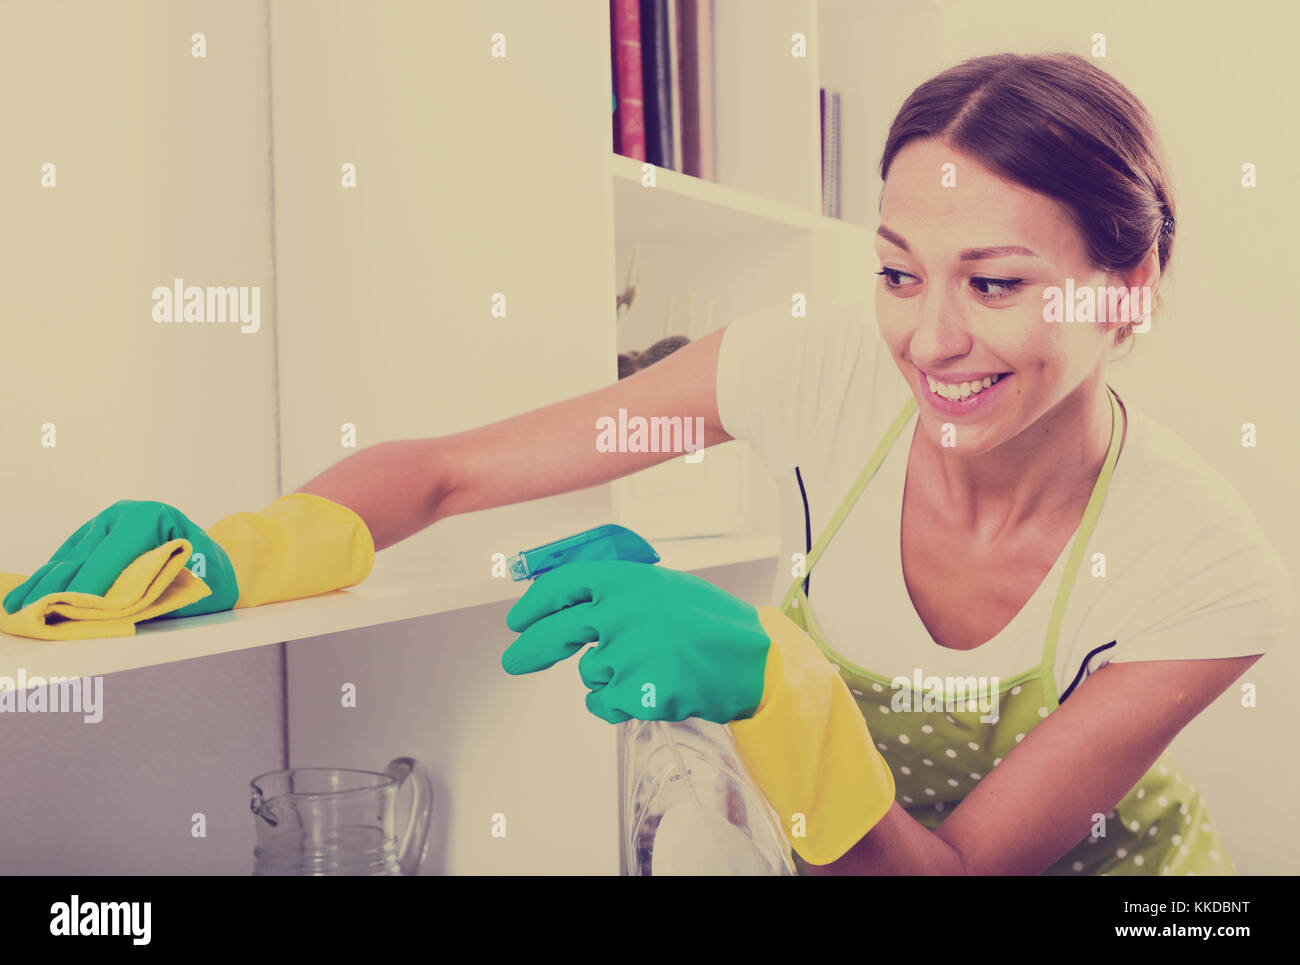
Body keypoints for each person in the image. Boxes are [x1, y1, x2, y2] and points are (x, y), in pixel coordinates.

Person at [7, 53, 1289, 875]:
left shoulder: (1200, 566)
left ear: (1129, 288)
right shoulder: (818, 369)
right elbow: (449, 474)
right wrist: (244, 549)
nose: (930, 339)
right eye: (897, 271)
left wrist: (778, 688)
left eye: (996, 283)